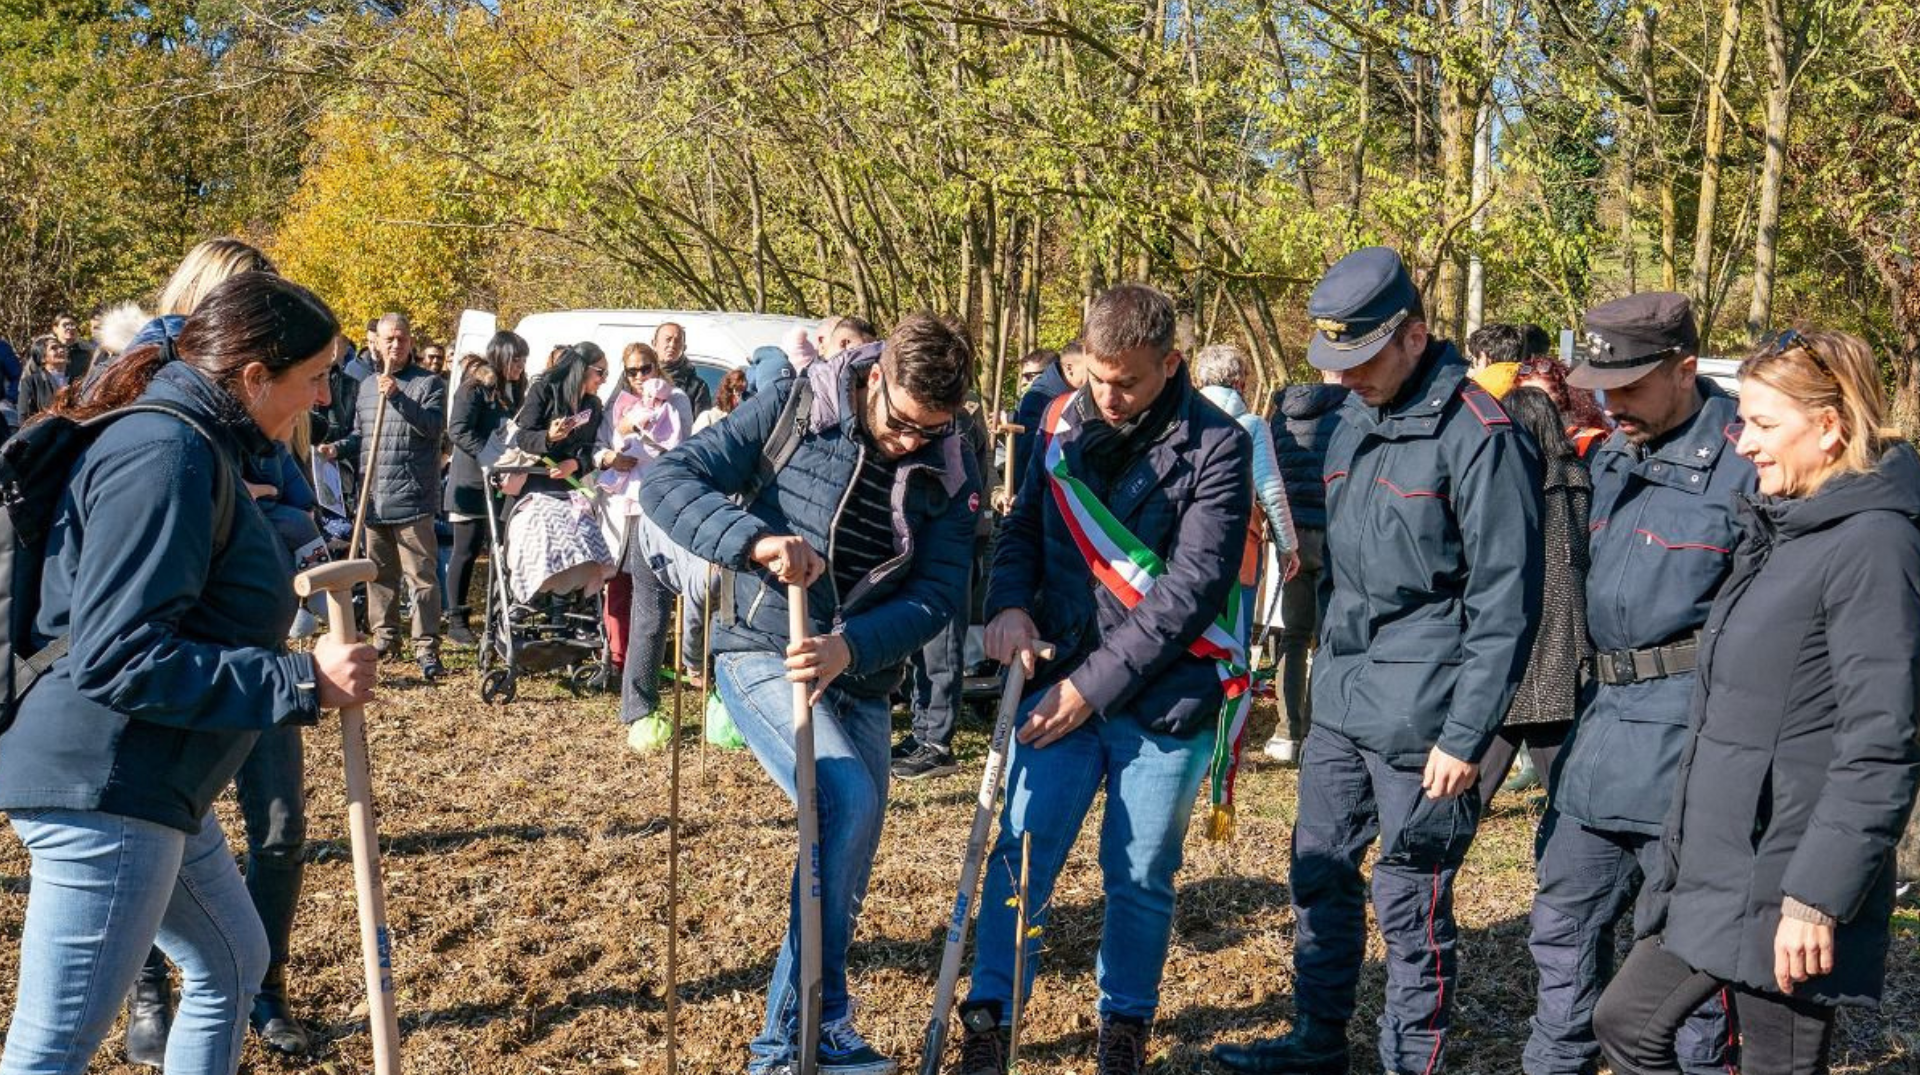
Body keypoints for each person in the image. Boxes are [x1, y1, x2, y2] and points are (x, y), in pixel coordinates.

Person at [0, 272, 378, 1075]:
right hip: (108, 786)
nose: (320, 399)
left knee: (234, 960)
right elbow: (117, 654)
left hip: (161, 778)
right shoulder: (163, 453)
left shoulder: (199, 444)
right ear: (252, 377)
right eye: (312, 378)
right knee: (52, 1049)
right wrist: (301, 682)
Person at [1211, 247, 1541, 1075]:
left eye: (1361, 359)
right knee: (1318, 876)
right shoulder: (1352, 417)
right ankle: (1316, 1043)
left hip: (1428, 721)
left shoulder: (1480, 437)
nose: (1346, 377)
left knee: (1411, 902)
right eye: (1336, 360)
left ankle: (1410, 1060)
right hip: (1344, 707)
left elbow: (1506, 605)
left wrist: (1467, 736)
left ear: (1414, 336)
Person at [641, 315, 978, 1075]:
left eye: (931, 431)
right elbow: (666, 482)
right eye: (900, 422)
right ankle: (782, 1045)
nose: (909, 443)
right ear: (876, 375)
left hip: (860, 670)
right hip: (767, 647)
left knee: (848, 855)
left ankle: (822, 1028)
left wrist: (850, 648)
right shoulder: (798, 405)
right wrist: (751, 540)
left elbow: (939, 592)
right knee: (844, 800)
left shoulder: (956, 456)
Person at [1595, 329, 1920, 1075]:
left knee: (1776, 1061)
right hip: (1722, 860)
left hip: (1789, 876)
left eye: (1765, 424)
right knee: (1627, 1023)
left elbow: (1883, 741)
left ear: (1831, 428)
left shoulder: (1874, 544)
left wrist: (1815, 896)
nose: (1741, 442)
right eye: (1741, 419)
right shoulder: (1785, 527)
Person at [949, 285, 1251, 1075]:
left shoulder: (1220, 444)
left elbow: (1191, 591)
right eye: (1096, 376)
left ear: (1171, 365)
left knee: (1141, 869)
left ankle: (1124, 1024)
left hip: (1165, 695)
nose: (1109, 398)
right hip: (1059, 675)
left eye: (1130, 382)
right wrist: (1008, 603)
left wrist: (1092, 689)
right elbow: (1022, 528)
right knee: (1022, 846)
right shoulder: (1055, 421)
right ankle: (991, 1017)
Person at [1524, 293, 1750, 1075]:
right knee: (1561, 929)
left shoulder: (1747, 466)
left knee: (1682, 962)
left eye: (1630, 386)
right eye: (1603, 386)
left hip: (1691, 748)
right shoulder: (1611, 455)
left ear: (1686, 370)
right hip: (1599, 737)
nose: (1610, 403)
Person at [1470, 386, 1590, 808]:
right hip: (1563, 623)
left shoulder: (1517, 479)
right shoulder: (1578, 476)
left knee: (1515, 724)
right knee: (1528, 727)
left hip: (1528, 616)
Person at [320, 312, 449, 679]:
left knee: (421, 577)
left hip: (411, 497)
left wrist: (398, 397)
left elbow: (432, 428)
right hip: (373, 497)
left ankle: (426, 646)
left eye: (402, 339)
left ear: (411, 342)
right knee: (378, 575)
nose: (396, 345)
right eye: (389, 339)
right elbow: (362, 438)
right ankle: (385, 637)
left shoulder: (429, 384)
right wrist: (337, 449)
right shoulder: (366, 388)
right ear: (375, 341)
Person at [891, 398, 992, 781]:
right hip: (919, 552)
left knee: (942, 652)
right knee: (921, 650)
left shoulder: (957, 428)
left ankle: (937, 743)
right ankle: (921, 730)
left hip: (949, 552)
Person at [1260, 377, 1346, 766]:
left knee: (1293, 638)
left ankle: (1287, 731)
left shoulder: (1282, 415)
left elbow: (1272, 473)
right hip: (1334, 533)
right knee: (1328, 637)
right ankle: (1319, 730)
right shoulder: (1352, 412)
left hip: (1291, 536)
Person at [444, 332, 528, 645]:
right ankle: (456, 619)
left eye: (523, 360)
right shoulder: (474, 386)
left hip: (504, 479)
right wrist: (488, 456)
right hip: (471, 479)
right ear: (501, 357)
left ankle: (499, 612)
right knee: (466, 549)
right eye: (516, 359)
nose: (520, 366)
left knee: (502, 547)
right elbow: (458, 429)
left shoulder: (517, 387)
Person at [1193, 342, 1300, 580]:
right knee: (1237, 615)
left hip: (1184, 547)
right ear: (1239, 384)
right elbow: (1270, 490)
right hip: (1237, 546)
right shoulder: (1252, 427)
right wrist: (1288, 547)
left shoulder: (1182, 423)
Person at [652, 322, 712, 417]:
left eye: (677, 341)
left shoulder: (698, 387)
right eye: (668, 340)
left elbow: (702, 428)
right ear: (654, 344)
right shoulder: (637, 376)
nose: (672, 345)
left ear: (684, 348)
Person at [19, 337, 71, 422]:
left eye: (62, 346)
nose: (61, 350)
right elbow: (24, 418)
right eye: (54, 348)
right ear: (43, 358)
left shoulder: (78, 378)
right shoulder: (31, 383)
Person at [48, 311, 95, 385]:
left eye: (72, 325)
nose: (70, 328)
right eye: (65, 325)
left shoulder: (87, 354)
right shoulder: (45, 351)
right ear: (55, 329)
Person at [695, 368, 749, 433]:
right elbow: (696, 442)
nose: (740, 398)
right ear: (728, 391)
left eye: (744, 393)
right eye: (738, 391)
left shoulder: (742, 422)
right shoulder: (708, 417)